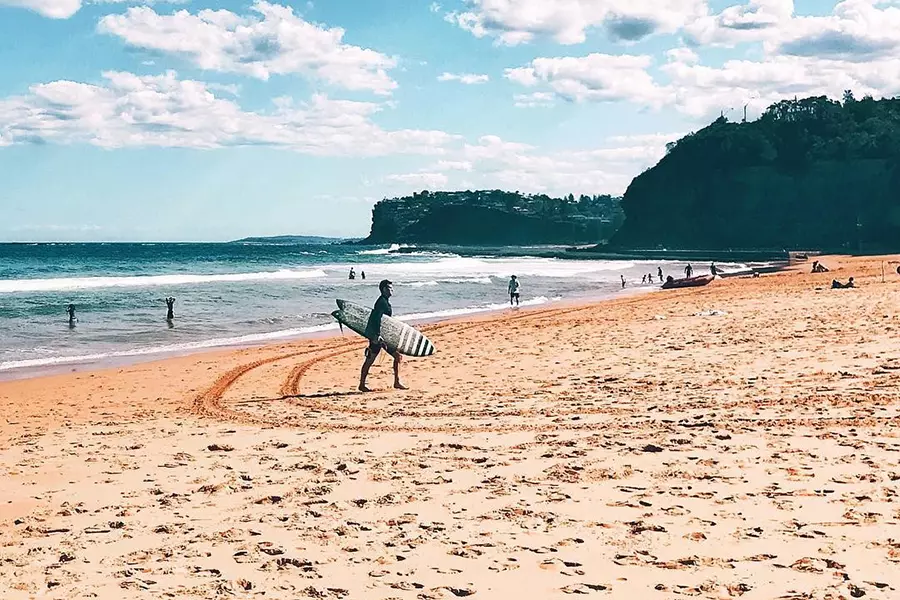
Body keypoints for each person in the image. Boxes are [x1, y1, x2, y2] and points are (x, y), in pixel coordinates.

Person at [359, 279, 405, 392]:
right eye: (390, 288)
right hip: (379, 337)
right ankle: (362, 384)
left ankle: (396, 382)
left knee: (397, 356)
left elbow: (385, 321)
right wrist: (377, 336)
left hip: (384, 336)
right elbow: (377, 320)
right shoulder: (381, 303)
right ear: (384, 289)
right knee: (370, 360)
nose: (392, 290)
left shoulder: (384, 301)